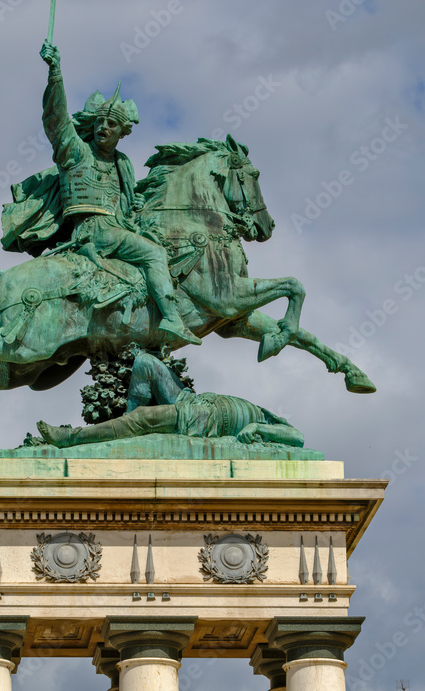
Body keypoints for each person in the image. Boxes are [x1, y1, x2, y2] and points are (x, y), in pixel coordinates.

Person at [38, 41, 200, 346]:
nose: (103, 127)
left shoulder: (123, 163)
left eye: (111, 123)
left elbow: (122, 207)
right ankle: (170, 318)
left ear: (122, 131)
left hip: (116, 227)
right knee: (155, 253)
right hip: (93, 230)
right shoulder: (76, 152)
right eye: (100, 121)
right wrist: (55, 73)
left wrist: (133, 206)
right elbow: (56, 121)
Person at [37, 350, 305, 449]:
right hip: (194, 400)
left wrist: (257, 428)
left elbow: (298, 438)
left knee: (143, 418)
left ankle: (71, 437)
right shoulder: (263, 413)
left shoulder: (265, 427)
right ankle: (122, 427)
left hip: (203, 419)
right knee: (144, 361)